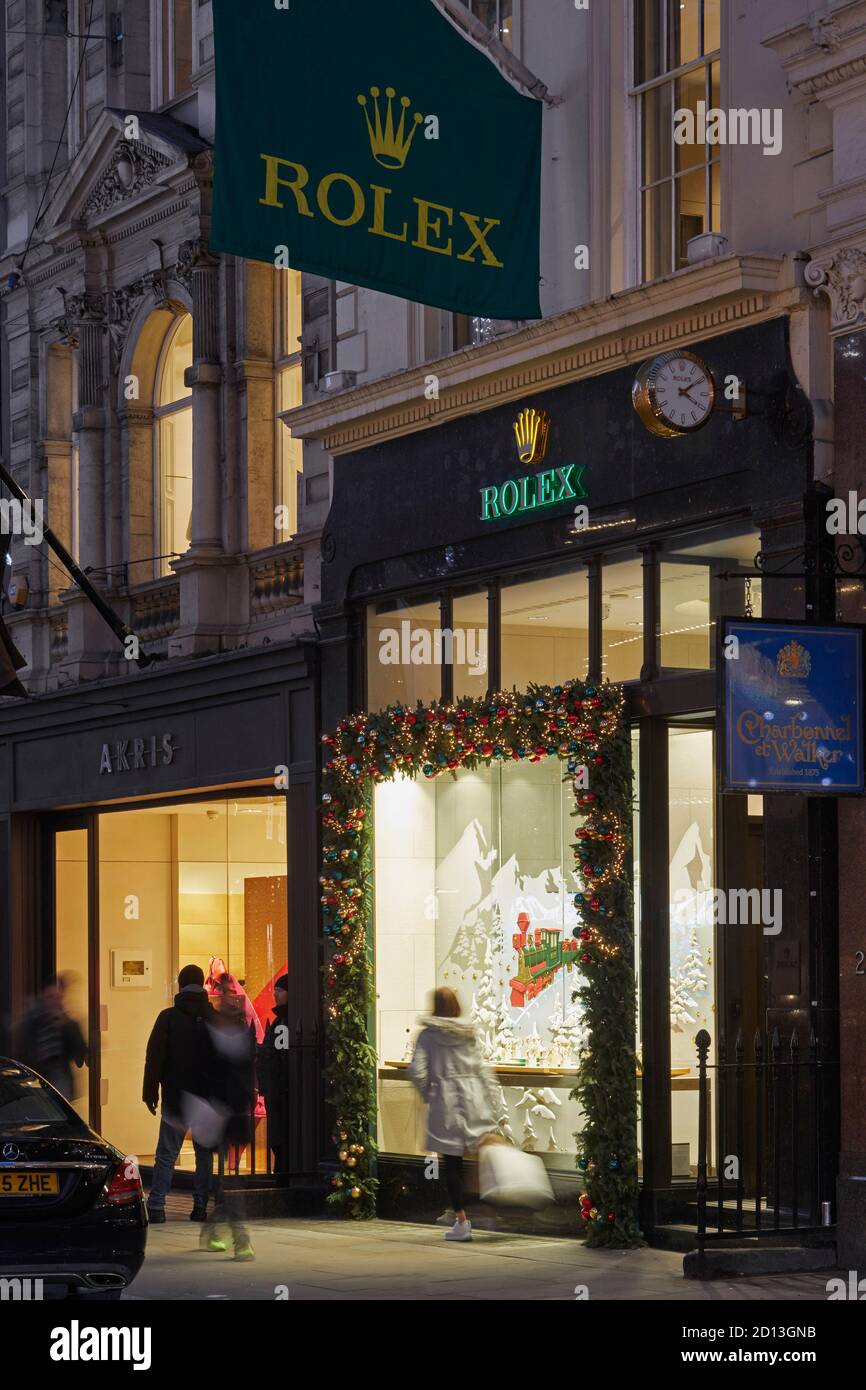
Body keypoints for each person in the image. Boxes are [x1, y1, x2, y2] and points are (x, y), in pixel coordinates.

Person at [406, 986, 500, 1242]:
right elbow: (483, 1070)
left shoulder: (428, 1036)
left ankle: (461, 1220)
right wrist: (492, 1103)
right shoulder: (468, 1034)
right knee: (480, 1157)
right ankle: (487, 1210)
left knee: (452, 1163)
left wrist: (431, 1093)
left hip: (445, 1103)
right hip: (473, 1099)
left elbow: (417, 1071)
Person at [142, 964, 216, 1224]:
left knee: (167, 1153)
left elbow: (154, 1058)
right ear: (202, 984)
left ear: (181, 985)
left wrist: (150, 1092)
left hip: (176, 1096)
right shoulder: (214, 1018)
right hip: (207, 1098)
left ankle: (157, 1205)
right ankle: (200, 1207)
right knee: (204, 1155)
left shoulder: (168, 1018)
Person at [196, 972, 258, 1261]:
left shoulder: (244, 1033)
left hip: (236, 1111)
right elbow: (200, 1072)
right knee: (228, 1180)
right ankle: (240, 1237)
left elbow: (248, 1069)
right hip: (215, 1110)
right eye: (225, 991)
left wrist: (250, 1096)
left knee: (227, 1179)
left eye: (233, 991)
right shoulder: (208, 1033)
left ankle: (212, 1228)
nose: (230, 996)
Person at [15, 975, 87, 1100]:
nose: (55, 1002)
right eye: (51, 997)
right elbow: (23, 1052)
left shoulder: (69, 1023)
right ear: (42, 997)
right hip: (35, 1078)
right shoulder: (31, 1021)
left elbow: (79, 1054)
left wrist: (67, 1026)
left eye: (59, 997)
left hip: (60, 1078)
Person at [258, 974, 289, 1175]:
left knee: (280, 1139)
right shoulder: (280, 1020)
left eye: (280, 990)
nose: (275, 994)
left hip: (280, 1091)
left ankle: (282, 1174)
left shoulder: (283, 1023)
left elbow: (279, 1056)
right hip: (277, 1090)